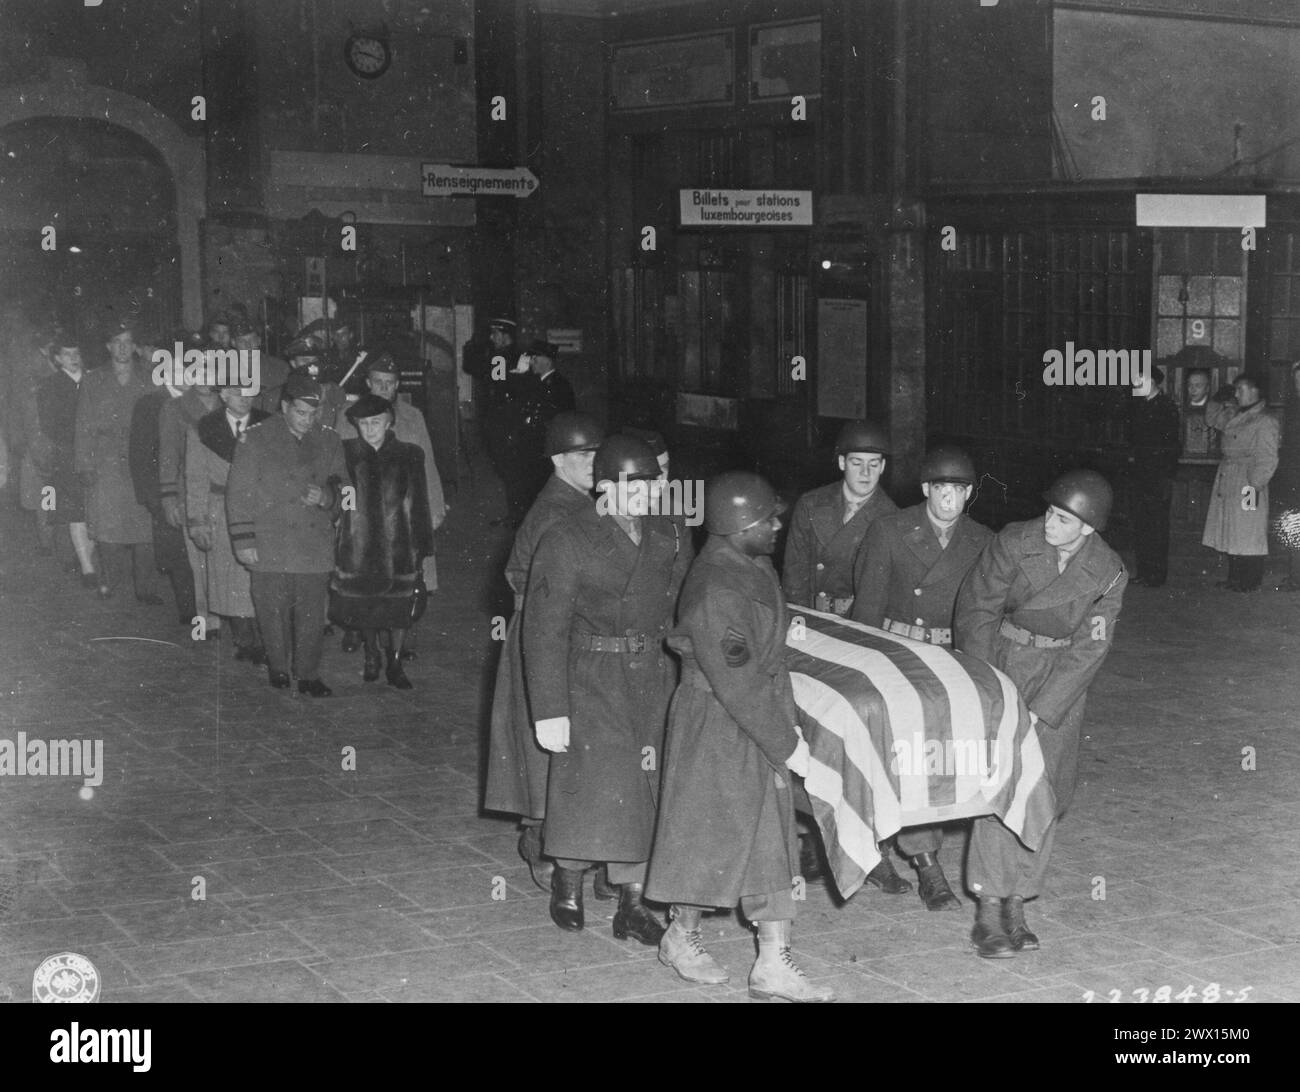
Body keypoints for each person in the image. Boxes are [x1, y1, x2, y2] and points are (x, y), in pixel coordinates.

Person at [648, 471, 833, 1002]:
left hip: (752, 713)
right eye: (767, 518)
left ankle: (773, 963)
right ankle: (680, 938)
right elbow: (737, 680)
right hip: (717, 721)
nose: (778, 525)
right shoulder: (716, 587)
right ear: (736, 526)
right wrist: (789, 745)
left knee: (769, 837)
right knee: (709, 836)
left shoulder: (750, 565)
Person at [523, 434, 692, 944]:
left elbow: (684, 604)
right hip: (591, 672)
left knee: (646, 787)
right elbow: (543, 627)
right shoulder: (566, 537)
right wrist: (550, 708)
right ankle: (568, 878)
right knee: (590, 784)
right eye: (628, 487)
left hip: (653, 673)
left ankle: (633, 903)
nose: (642, 496)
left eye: (648, 485)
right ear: (602, 487)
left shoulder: (672, 531)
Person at [954, 469, 1127, 957]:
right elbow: (978, 610)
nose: (1050, 523)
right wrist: (992, 689)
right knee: (1000, 788)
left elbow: (1092, 647)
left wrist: (1045, 709)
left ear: (1087, 529)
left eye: (1064, 519)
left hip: (1061, 685)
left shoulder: (1109, 570)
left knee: (1045, 790)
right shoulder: (1014, 541)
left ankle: (1018, 902)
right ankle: (988, 910)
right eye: (1051, 512)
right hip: (1005, 664)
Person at [850, 445, 992, 910]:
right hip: (899, 655)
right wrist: (867, 664)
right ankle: (926, 862)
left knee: (934, 761)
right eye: (941, 488)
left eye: (959, 489)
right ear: (927, 489)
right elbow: (868, 607)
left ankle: (904, 848)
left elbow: (985, 612)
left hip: (950, 659)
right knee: (902, 758)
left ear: (969, 493)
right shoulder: (889, 530)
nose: (949, 498)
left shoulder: (984, 541)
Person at [782, 418, 908, 894]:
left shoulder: (891, 517)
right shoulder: (812, 505)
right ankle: (814, 838)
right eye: (857, 463)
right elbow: (793, 570)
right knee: (807, 729)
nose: (866, 474)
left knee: (855, 734)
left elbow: (879, 590)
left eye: (875, 465)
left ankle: (872, 848)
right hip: (806, 621)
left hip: (854, 631)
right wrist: (794, 621)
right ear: (841, 464)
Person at [485, 411, 605, 891]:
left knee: (561, 747)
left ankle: (570, 847)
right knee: (546, 748)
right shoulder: (558, 511)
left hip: (560, 633)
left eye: (598, 453)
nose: (594, 462)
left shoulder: (576, 503)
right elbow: (525, 580)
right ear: (558, 459)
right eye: (583, 455)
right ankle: (542, 846)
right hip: (547, 637)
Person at [226, 372, 346, 696]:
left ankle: (307, 673)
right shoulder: (255, 438)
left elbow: (347, 491)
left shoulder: (330, 440)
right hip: (270, 539)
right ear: (284, 406)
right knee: (271, 609)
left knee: (311, 613)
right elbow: (239, 494)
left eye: (313, 414)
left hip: (313, 541)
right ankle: (278, 667)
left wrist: (326, 497)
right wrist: (244, 541)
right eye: (300, 413)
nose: (307, 421)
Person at [334, 353, 447, 658]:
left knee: (409, 575)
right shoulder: (349, 415)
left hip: (402, 511)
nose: (384, 388)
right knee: (359, 573)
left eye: (390, 383)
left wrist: (435, 506)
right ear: (368, 383)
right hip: (361, 513)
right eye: (378, 382)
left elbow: (428, 467)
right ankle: (355, 630)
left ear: (398, 385)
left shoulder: (413, 416)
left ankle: (404, 637)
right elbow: (339, 468)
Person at [327, 394, 435, 689]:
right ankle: (371, 654)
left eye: (376, 422)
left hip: (399, 542)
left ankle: (396, 663)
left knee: (399, 610)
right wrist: (341, 527)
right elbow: (341, 498)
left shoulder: (410, 454)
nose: (369, 428)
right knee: (366, 606)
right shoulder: (345, 453)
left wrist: (421, 547)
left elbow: (418, 501)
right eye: (363, 423)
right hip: (358, 542)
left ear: (390, 422)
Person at [74, 321, 160, 602]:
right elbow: (83, 425)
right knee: (107, 526)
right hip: (106, 461)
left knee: (144, 526)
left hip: (141, 461)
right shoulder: (93, 379)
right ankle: (109, 582)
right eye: (117, 341)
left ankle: (145, 589)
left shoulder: (150, 378)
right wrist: (85, 464)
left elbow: (161, 422)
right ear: (108, 346)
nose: (122, 347)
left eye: (128, 341)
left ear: (135, 347)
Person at [186, 383, 270, 663]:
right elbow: (196, 477)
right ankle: (246, 641)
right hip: (220, 509)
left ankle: (266, 636)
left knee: (259, 573)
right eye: (237, 392)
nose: (245, 399)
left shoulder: (270, 425)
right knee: (230, 579)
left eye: (250, 393)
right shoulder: (203, 428)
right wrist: (197, 520)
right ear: (223, 395)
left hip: (261, 508)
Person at [158, 333, 222, 636]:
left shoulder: (232, 403)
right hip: (191, 493)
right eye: (199, 369)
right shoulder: (175, 408)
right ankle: (206, 618)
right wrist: (169, 497)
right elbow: (168, 456)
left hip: (227, 494)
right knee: (199, 562)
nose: (205, 375)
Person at [129, 353, 196, 626]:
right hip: (166, 491)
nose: (188, 376)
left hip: (195, 488)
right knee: (178, 553)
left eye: (191, 370)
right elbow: (140, 454)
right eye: (181, 370)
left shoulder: (202, 401)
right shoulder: (150, 404)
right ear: (166, 373)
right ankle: (189, 610)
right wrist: (152, 498)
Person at [1202, 373, 1280, 592]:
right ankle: (1234, 577)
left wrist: (1255, 485)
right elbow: (1211, 419)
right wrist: (1218, 398)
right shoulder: (1235, 413)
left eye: (1240, 390)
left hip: (1249, 480)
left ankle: (1250, 580)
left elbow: (1268, 457)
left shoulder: (1265, 420)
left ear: (1255, 391)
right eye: (1235, 390)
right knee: (1232, 528)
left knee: (1249, 529)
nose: (1236, 394)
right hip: (1229, 477)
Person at [35, 332, 97, 587]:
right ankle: (87, 567)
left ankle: (85, 556)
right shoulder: (50, 386)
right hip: (68, 455)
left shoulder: (95, 381)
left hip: (97, 453)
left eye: (77, 353)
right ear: (58, 359)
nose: (74, 359)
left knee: (95, 509)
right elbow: (50, 425)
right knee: (76, 511)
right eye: (67, 355)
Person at [1127, 366, 1182, 587]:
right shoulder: (1139, 406)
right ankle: (1144, 572)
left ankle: (1156, 576)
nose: (1136, 383)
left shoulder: (1166, 407)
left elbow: (1172, 446)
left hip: (1158, 476)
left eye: (1141, 379)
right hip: (1140, 475)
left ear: (1155, 382)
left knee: (1157, 526)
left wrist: (1166, 476)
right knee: (1142, 524)